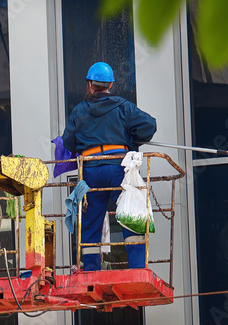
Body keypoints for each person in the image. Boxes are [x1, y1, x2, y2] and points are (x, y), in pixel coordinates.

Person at [62, 62, 157, 271]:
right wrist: (132, 139)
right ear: (111, 84)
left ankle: (91, 270)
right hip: (118, 167)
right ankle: (137, 268)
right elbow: (150, 125)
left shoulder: (79, 110)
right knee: (129, 214)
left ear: (89, 84)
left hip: (91, 169)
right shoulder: (123, 106)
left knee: (91, 221)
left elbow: (68, 143)